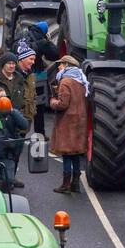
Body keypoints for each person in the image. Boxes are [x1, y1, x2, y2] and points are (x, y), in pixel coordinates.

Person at [48, 54, 89, 193]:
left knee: (66, 154)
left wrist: (53, 101)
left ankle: (65, 185)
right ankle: (75, 184)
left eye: (60, 64)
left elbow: (63, 104)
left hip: (67, 123)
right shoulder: (81, 80)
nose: (58, 66)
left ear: (66, 65)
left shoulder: (66, 81)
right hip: (79, 121)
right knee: (75, 154)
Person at [0, 86, 28, 192]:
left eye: (5, 97)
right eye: (0, 97)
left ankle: (9, 181)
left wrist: (11, 111)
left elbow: (24, 125)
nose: (4, 99)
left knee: (8, 181)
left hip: (7, 153)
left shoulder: (12, 112)